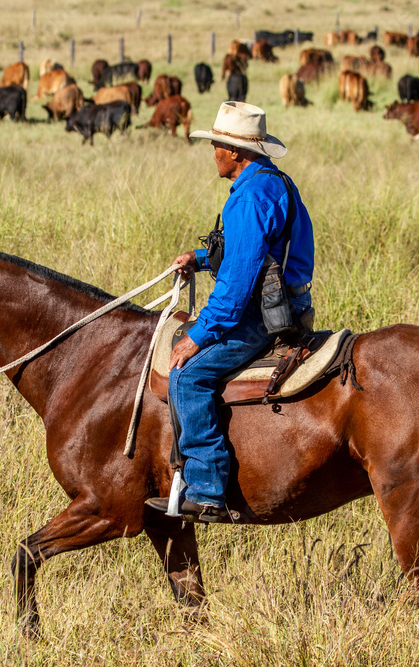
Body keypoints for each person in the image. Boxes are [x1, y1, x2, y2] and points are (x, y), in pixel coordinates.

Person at [146, 101, 315, 523]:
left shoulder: (251, 196)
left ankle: (207, 490)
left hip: (263, 314)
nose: (214, 152)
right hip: (288, 301)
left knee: (188, 376)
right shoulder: (271, 182)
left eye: (217, 145)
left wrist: (198, 335)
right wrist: (201, 258)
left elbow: (237, 287)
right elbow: (254, 252)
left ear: (236, 152)